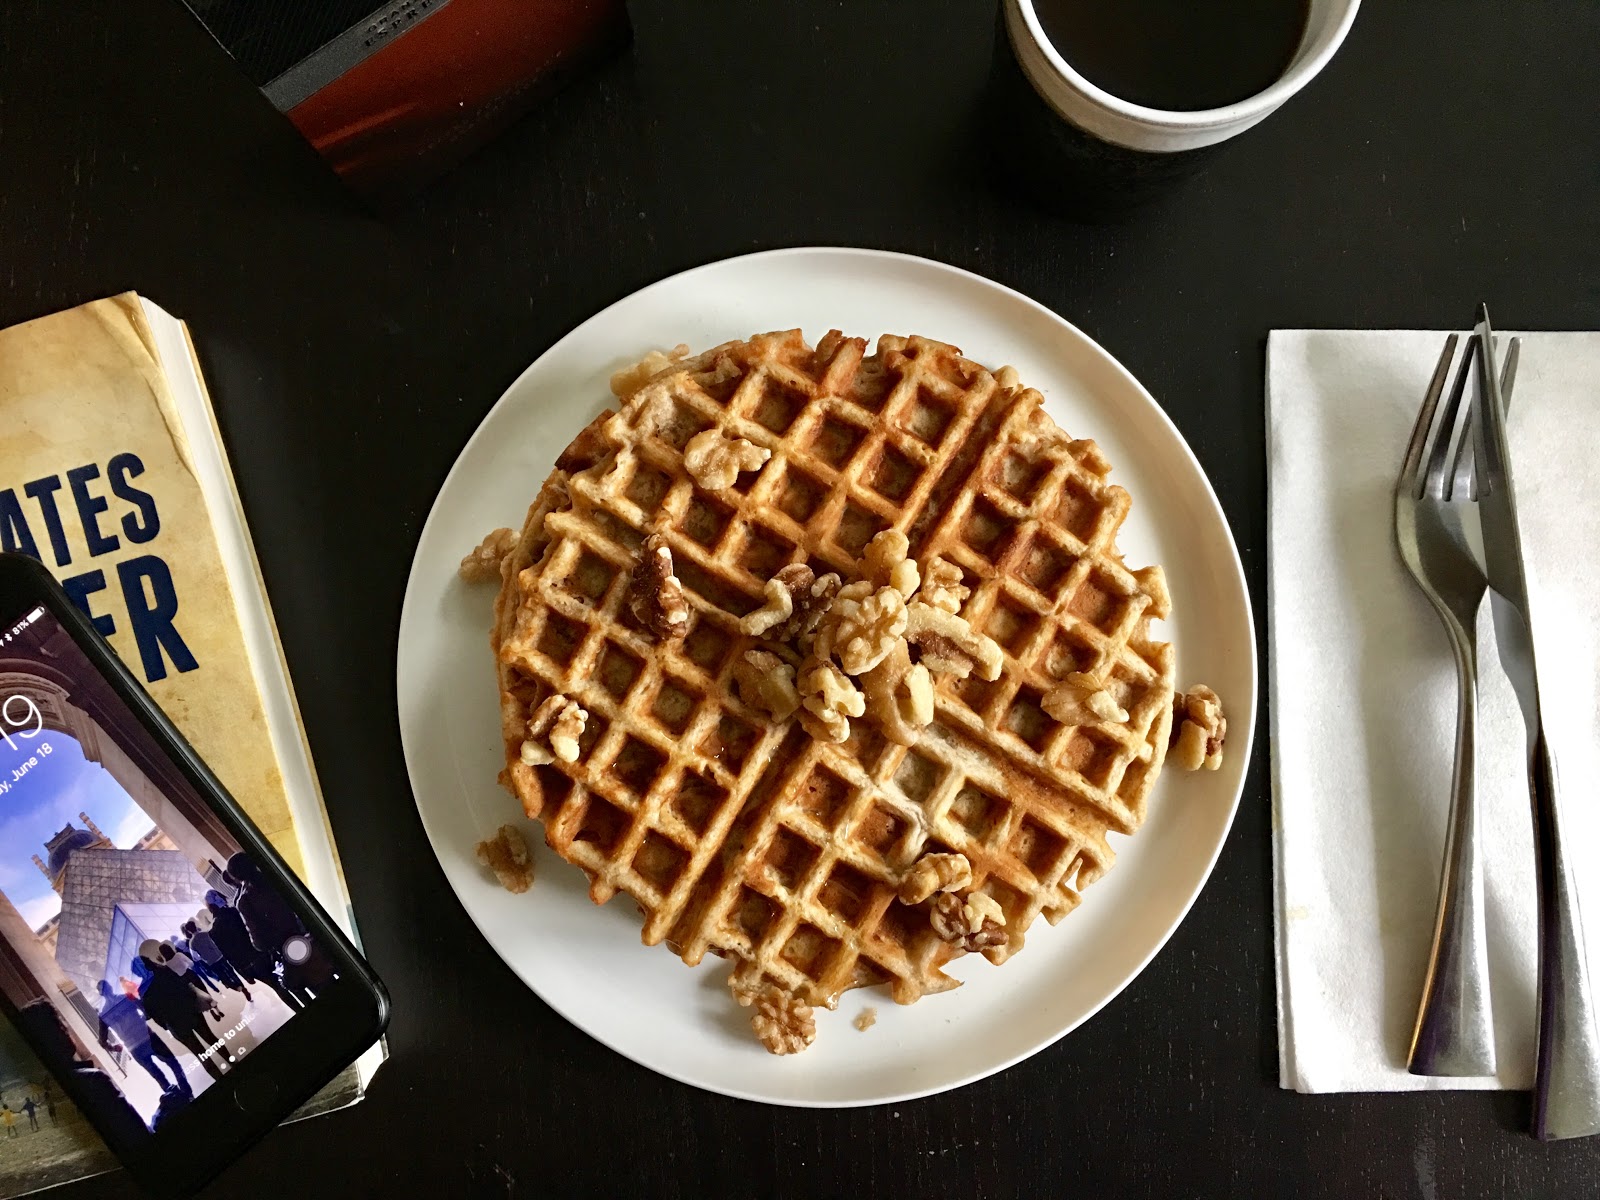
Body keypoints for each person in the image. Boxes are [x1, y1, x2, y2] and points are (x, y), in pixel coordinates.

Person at [12, 1002, 148, 1146]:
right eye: (60, 1026)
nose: (66, 1031)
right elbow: (137, 1136)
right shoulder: (92, 1081)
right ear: (53, 1034)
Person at [228, 852, 331, 1004]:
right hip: (320, 929)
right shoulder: (275, 871)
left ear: (236, 876)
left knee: (324, 990)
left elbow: (260, 943)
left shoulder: (245, 900)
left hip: (294, 949)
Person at [135, 944, 227, 1084]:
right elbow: (185, 987)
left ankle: (220, 1079)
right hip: (191, 1012)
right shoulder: (166, 972)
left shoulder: (144, 994)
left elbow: (154, 1016)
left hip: (176, 1026)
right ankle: (233, 1061)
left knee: (200, 1054)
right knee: (211, 1039)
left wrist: (167, 1025)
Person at [95, 979, 192, 1101]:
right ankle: (188, 1094)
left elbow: (102, 1042)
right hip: (149, 1038)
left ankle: (176, 1099)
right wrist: (143, 1019)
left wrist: (114, 1047)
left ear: (101, 994)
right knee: (173, 1063)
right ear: (111, 988)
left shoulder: (103, 1014)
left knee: (157, 1075)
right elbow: (145, 1009)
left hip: (134, 1048)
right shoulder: (125, 998)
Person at [206, 890, 301, 1011]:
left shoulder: (213, 931)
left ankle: (299, 1010)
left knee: (276, 987)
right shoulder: (233, 912)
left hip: (248, 965)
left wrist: (244, 975)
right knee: (287, 978)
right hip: (260, 953)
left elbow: (228, 956)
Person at [185, 914, 249, 999]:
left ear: (189, 931)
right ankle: (242, 986)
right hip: (219, 955)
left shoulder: (191, 943)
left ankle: (235, 987)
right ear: (195, 926)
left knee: (222, 975)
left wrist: (204, 956)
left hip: (210, 962)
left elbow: (195, 957)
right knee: (230, 971)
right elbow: (213, 943)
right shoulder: (205, 934)